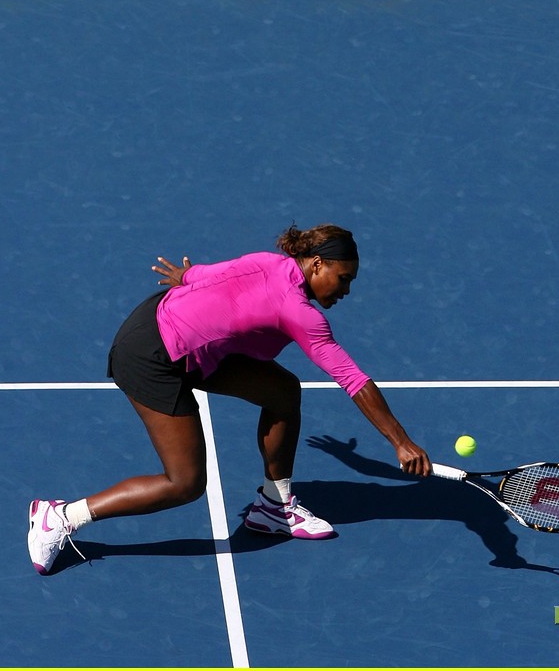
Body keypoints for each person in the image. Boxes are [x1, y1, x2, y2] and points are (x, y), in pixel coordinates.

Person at [27, 223, 431, 574]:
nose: (346, 290)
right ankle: (60, 517)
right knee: (184, 483)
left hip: (181, 338)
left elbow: (207, 274)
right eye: (344, 279)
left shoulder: (269, 262)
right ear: (318, 264)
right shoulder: (301, 313)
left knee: (283, 392)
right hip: (151, 356)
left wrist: (186, 277)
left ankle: (274, 506)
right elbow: (351, 378)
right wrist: (400, 441)